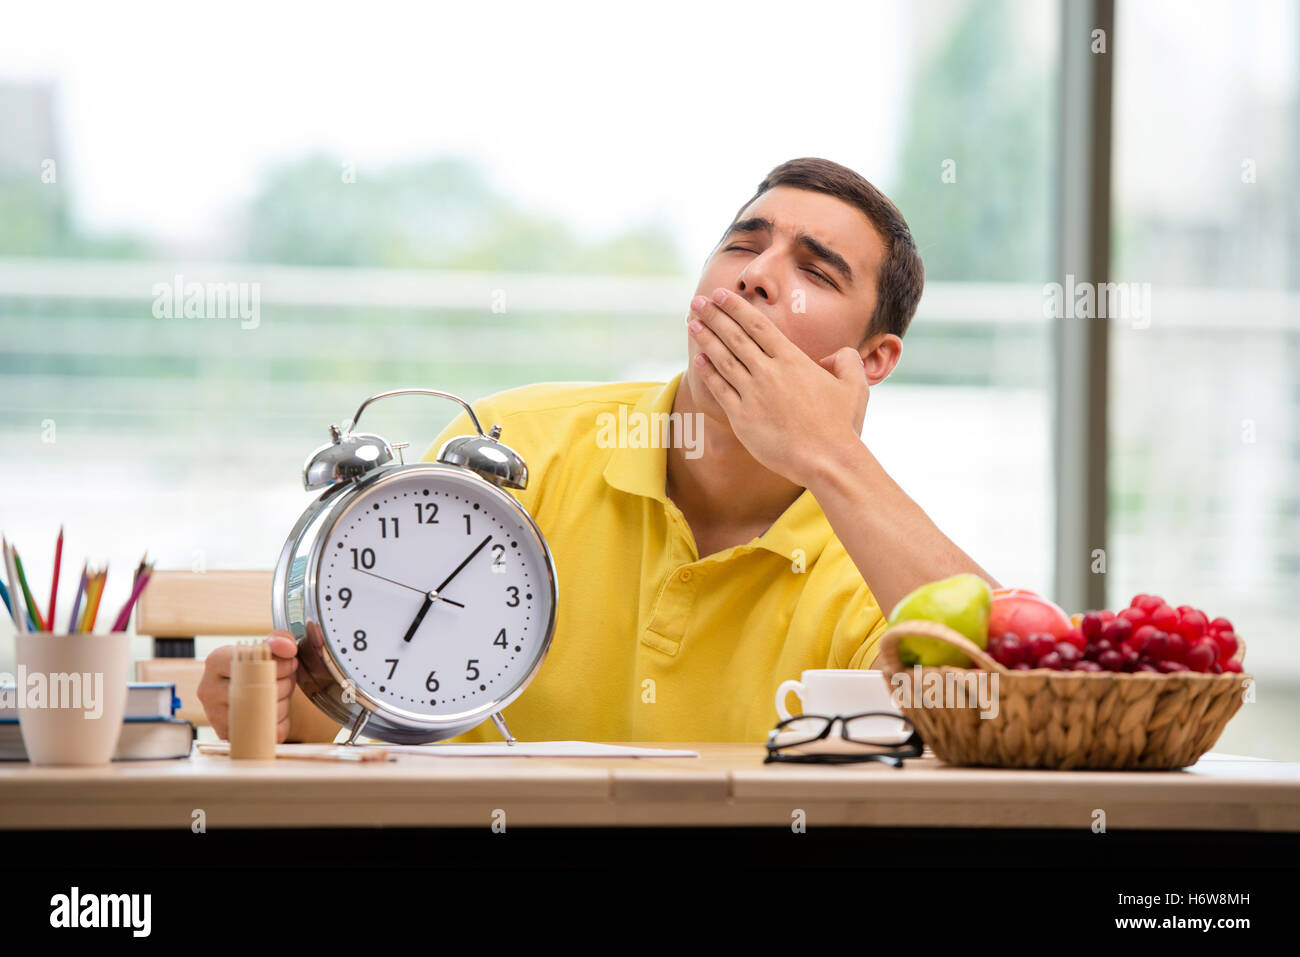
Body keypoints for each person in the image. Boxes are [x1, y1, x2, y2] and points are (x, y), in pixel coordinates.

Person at [198, 156, 999, 744]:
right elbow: (362, 708)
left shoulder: (876, 568)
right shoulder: (516, 453)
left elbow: (1023, 698)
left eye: (815, 273)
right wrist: (269, 702)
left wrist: (830, 455)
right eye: (742, 244)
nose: (756, 275)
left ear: (874, 361)